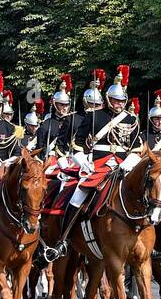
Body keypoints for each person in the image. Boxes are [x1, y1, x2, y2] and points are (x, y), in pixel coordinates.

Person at [56, 67, 144, 255]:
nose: (119, 104)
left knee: (145, 193)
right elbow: (78, 144)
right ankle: (62, 240)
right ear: (108, 99)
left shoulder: (132, 120)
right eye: (116, 100)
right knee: (78, 194)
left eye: (122, 100)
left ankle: (146, 240)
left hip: (123, 166)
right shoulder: (94, 116)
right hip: (97, 165)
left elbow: (137, 148)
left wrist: (126, 165)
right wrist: (83, 162)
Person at [0, 71, 23, 196]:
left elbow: (17, 152)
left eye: (0, 105)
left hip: (5, 172)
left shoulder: (10, 128)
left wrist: (9, 161)